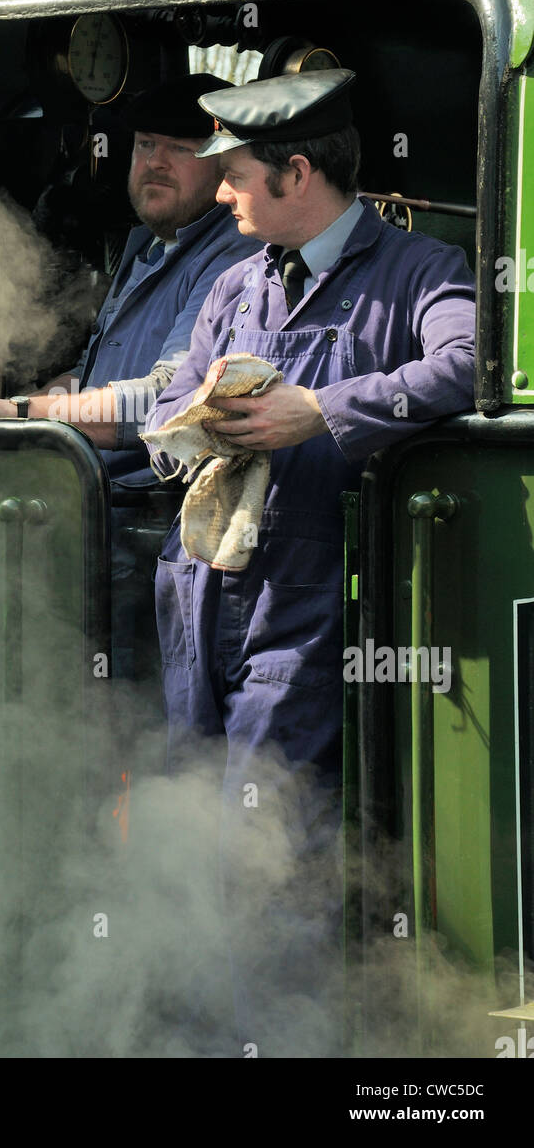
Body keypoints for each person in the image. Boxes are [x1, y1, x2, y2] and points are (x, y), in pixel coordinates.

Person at [143, 68, 476, 1052]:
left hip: (300, 620)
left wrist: (320, 409)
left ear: (295, 173)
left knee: (265, 862)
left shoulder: (418, 269)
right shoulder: (231, 282)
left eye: (236, 175)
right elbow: (161, 404)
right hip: (196, 610)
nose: (219, 193)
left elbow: (462, 366)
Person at [0, 73, 261, 679]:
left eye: (180, 149)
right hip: (102, 526)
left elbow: (164, 401)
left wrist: (17, 414)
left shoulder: (232, 259)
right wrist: (27, 405)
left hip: (159, 529)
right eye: (145, 145)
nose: (155, 162)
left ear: (226, 164)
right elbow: (98, 375)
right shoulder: (147, 246)